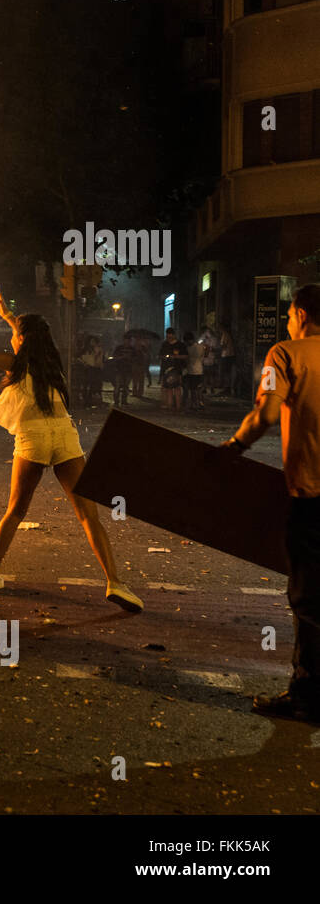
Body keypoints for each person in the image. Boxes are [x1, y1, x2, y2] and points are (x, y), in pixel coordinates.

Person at [0, 286, 143, 612]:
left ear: (23, 342)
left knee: (15, 511)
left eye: (15, 335)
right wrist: (9, 317)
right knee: (88, 517)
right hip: (65, 436)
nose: (12, 338)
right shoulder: (51, 365)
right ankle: (115, 581)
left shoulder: (15, 364)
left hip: (34, 439)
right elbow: (29, 332)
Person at [223, 284, 320, 721]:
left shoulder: (285, 354)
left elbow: (264, 414)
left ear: (300, 313)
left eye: (287, 315)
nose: (285, 321)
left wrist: (233, 447)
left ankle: (307, 694)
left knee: (309, 595)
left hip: (312, 495)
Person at [158, 327, 187, 412]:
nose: (169, 338)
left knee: (177, 388)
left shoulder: (180, 345)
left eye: (170, 337)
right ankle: (169, 405)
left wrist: (175, 357)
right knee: (168, 388)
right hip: (166, 369)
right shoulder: (165, 344)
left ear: (174, 335)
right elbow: (160, 355)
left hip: (177, 369)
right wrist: (164, 357)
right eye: (168, 337)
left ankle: (178, 406)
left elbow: (186, 356)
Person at [106, 337, 135, 406]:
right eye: (126, 340)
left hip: (128, 369)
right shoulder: (119, 348)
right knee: (117, 385)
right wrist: (121, 357)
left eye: (128, 340)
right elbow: (114, 357)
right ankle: (116, 401)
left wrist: (130, 358)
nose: (127, 342)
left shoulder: (132, 349)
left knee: (126, 386)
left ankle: (124, 400)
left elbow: (135, 358)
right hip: (119, 369)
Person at [79, 335, 104, 408]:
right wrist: (84, 363)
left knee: (93, 385)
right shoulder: (86, 350)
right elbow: (80, 357)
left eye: (94, 341)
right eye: (91, 341)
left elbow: (99, 359)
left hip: (96, 368)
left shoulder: (98, 349)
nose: (92, 343)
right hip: (88, 368)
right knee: (87, 385)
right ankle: (86, 401)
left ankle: (90, 401)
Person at [182, 331, 204, 411]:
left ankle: (194, 404)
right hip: (200, 370)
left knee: (193, 389)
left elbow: (187, 360)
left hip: (192, 371)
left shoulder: (188, 348)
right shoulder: (201, 346)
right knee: (198, 388)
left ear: (189, 340)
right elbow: (206, 352)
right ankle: (200, 403)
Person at [219, 322, 237, 396]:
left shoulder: (225, 335)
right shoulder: (226, 335)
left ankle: (227, 388)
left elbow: (223, 345)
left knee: (226, 372)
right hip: (228, 355)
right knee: (227, 372)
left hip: (227, 355)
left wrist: (218, 348)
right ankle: (227, 388)